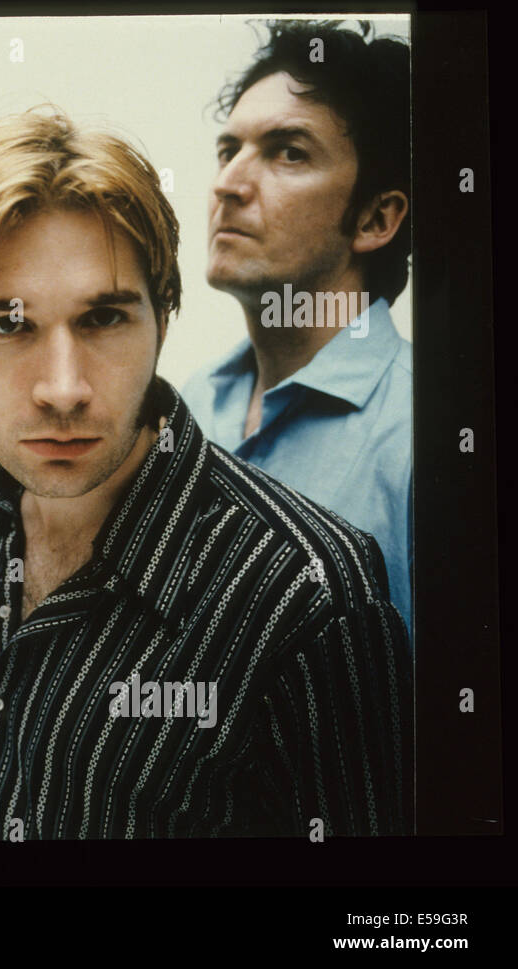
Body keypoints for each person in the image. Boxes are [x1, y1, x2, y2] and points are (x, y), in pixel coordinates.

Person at [0, 109, 411, 840]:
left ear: (161, 321)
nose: (62, 388)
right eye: (10, 324)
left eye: (104, 318)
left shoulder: (311, 597)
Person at [183, 20, 412, 641]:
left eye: (289, 152)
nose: (228, 184)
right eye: (229, 150)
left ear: (374, 218)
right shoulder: (185, 410)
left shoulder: (425, 434)